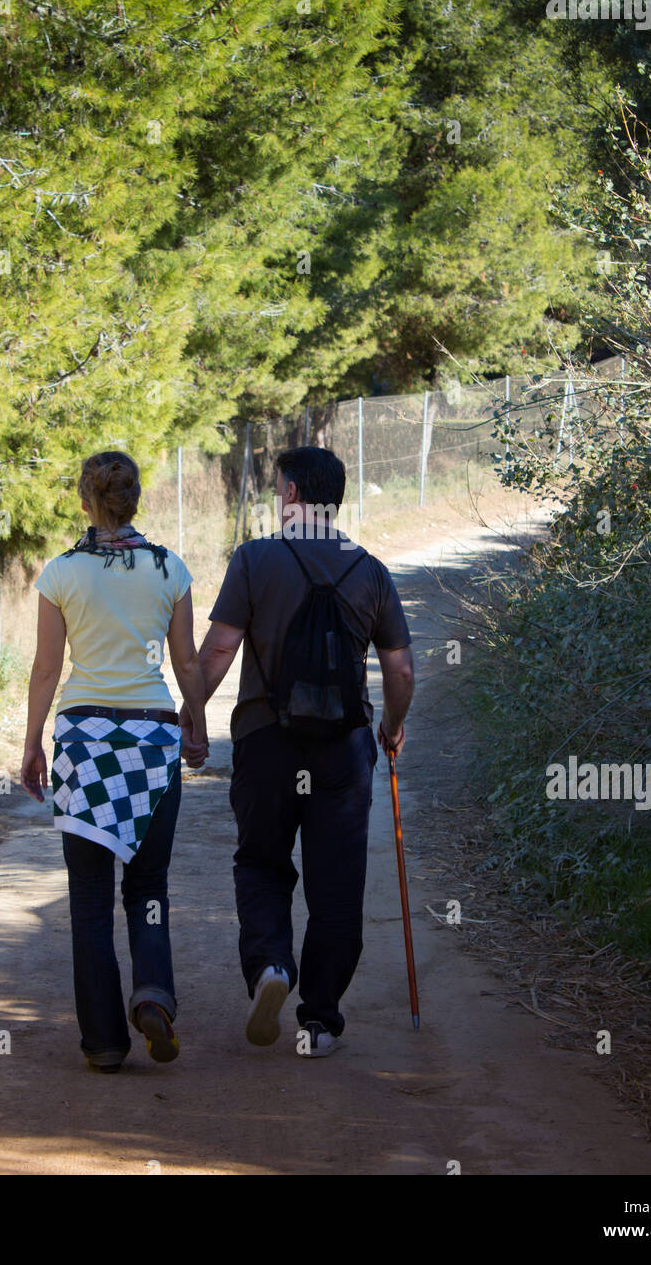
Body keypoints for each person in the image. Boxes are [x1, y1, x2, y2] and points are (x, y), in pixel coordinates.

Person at [180, 446, 415, 1057]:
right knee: (337, 885)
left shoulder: (255, 559)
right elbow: (402, 670)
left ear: (288, 495)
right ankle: (319, 1022)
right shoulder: (369, 569)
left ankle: (270, 969)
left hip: (266, 744)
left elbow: (217, 653)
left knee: (261, 862)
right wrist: (391, 726)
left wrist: (194, 717)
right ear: (334, 499)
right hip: (343, 750)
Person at [21, 451, 209, 1073]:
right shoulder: (168, 568)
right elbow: (187, 666)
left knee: (90, 895)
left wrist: (32, 744)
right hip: (152, 743)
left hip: (83, 742)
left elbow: (48, 668)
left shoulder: (61, 574)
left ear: (85, 501)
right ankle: (152, 992)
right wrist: (197, 728)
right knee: (148, 886)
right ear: (134, 500)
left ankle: (103, 1041)